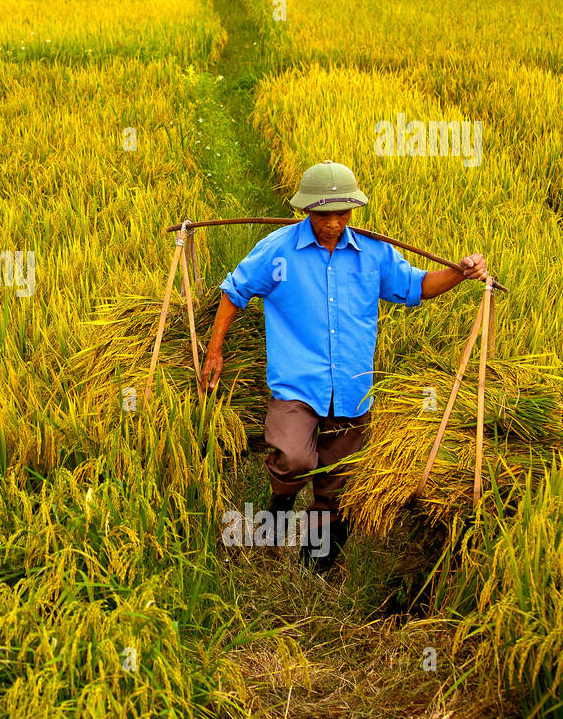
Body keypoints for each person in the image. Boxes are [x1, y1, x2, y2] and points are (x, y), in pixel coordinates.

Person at [200, 160, 488, 572]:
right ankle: (282, 501)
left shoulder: (373, 255)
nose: (334, 223)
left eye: (342, 213)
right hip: (297, 383)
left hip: (352, 389)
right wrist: (214, 351)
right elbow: (235, 291)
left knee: (337, 482)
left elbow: (418, 286)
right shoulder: (279, 250)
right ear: (306, 212)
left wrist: (459, 273)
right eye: (324, 215)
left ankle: (318, 561)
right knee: (294, 458)